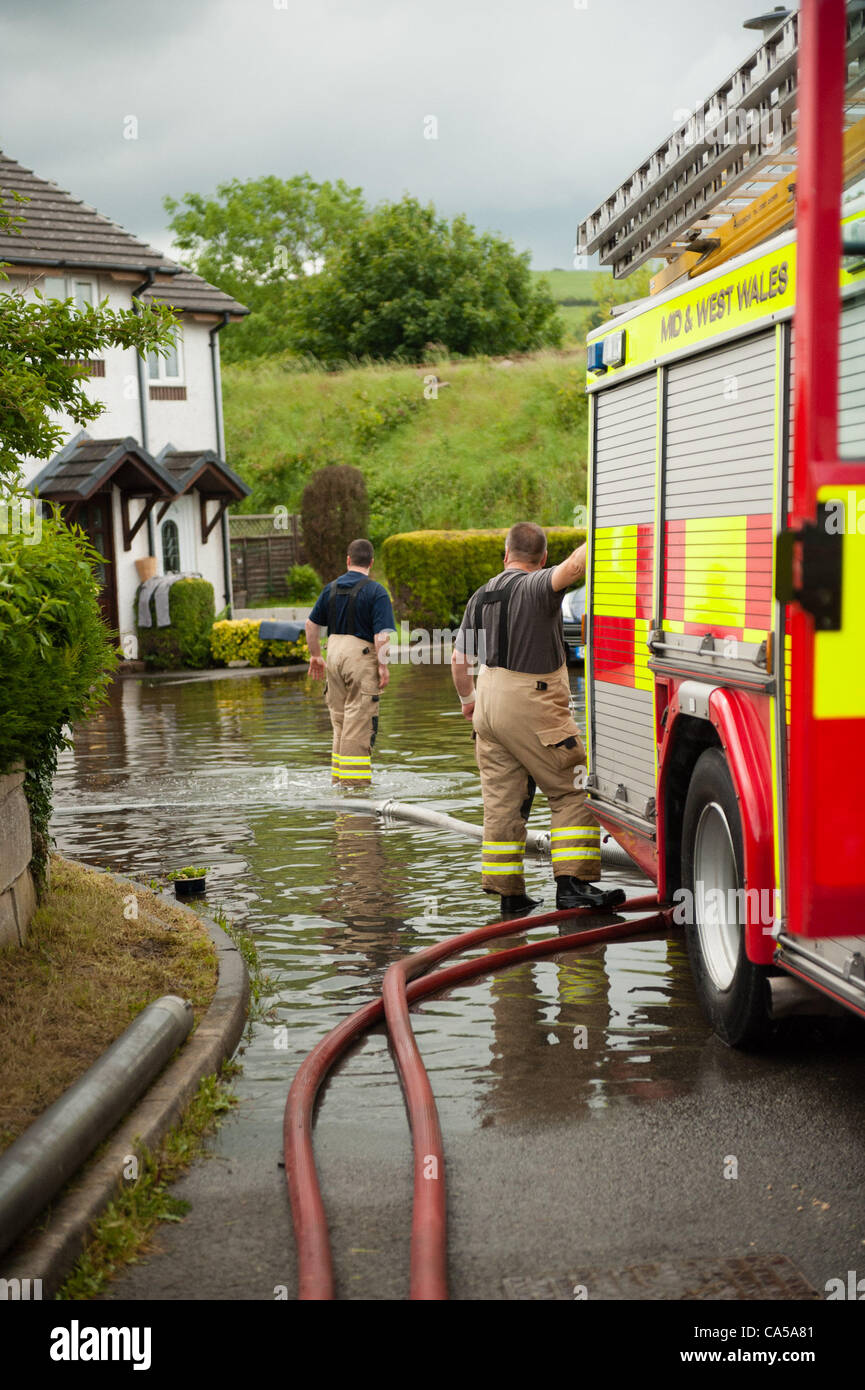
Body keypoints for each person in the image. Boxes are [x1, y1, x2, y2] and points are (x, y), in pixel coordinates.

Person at [451, 521, 625, 917]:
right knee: (574, 785)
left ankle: (509, 896)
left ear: (505, 553)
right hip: (530, 701)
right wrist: (609, 527)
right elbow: (576, 566)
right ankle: (573, 885)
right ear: (543, 558)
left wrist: (469, 702)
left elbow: (459, 661)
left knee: (502, 803)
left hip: (487, 702)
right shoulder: (537, 587)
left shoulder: (482, 595)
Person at [306, 539, 395, 786]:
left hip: (333, 657)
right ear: (372, 563)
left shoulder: (330, 589)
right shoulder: (377, 592)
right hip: (360, 658)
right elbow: (381, 636)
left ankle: (337, 781)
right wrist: (383, 665)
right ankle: (355, 790)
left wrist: (315, 656)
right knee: (359, 722)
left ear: (348, 560)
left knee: (340, 722)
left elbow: (311, 625)